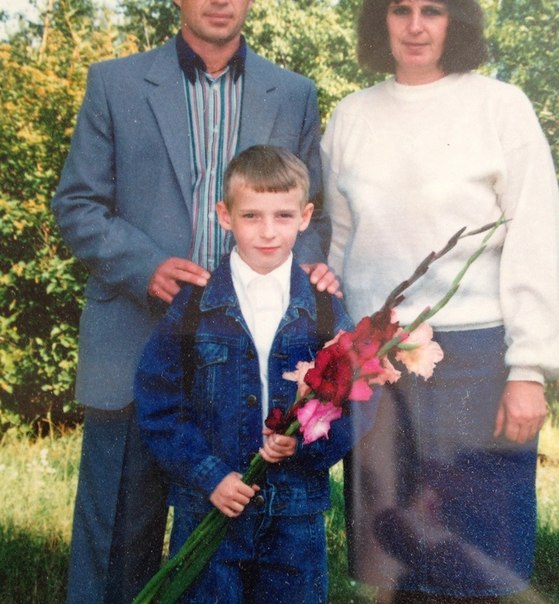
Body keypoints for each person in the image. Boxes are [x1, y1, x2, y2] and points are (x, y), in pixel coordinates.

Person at [51, 1, 339, 601]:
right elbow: (77, 203)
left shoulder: (294, 93)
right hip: (136, 340)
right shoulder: (115, 83)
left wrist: (307, 274)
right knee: (116, 550)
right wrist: (144, 266)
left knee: (234, 551)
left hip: (253, 363)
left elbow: (310, 218)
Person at [321, 0, 559, 602]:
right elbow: (339, 245)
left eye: (432, 10)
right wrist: (340, 351)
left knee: (477, 559)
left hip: (476, 362)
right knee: (389, 559)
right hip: (376, 364)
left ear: (456, 21)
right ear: (379, 20)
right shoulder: (352, 116)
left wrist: (529, 369)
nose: (415, 26)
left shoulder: (500, 107)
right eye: (400, 9)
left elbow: (537, 237)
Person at [134, 145, 377, 603]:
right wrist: (209, 475)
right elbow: (159, 403)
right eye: (251, 216)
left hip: (295, 517)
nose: (268, 231)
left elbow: (359, 398)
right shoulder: (195, 306)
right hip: (210, 507)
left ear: (305, 217)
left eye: (283, 216)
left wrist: (304, 443)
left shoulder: (324, 307)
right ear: (225, 216)